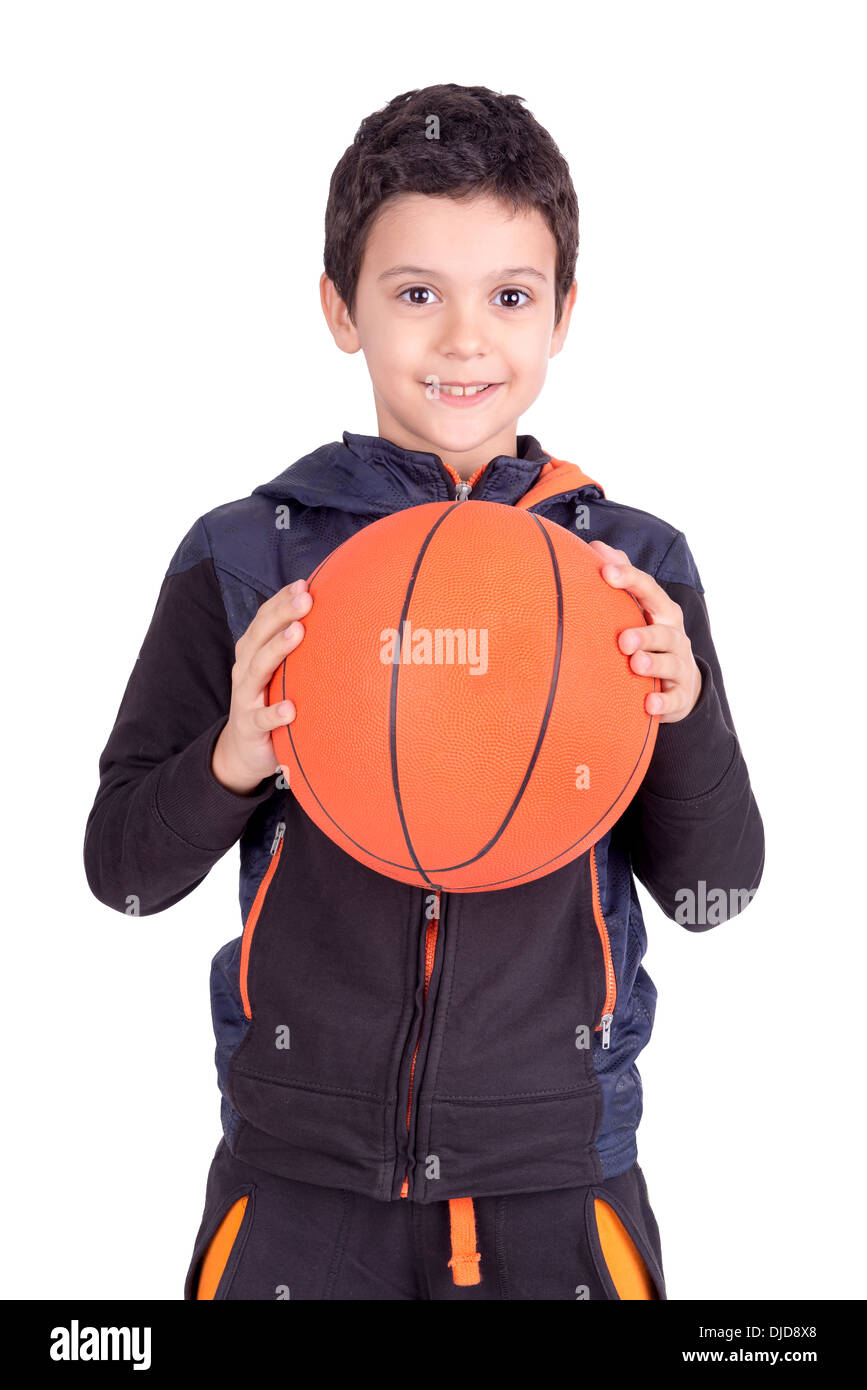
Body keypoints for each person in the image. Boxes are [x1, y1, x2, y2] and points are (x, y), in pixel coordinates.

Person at [83, 82, 764, 1300]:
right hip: (299, 1177)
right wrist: (233, 758)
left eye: (510, 295)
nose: (464, 341)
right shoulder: (249, 553)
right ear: (341, 310)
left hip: (555, 1176)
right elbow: (123, 872)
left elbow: (716, 892)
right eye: (415, 294)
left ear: (563, 315)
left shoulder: (631, 569)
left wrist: (685, 710)